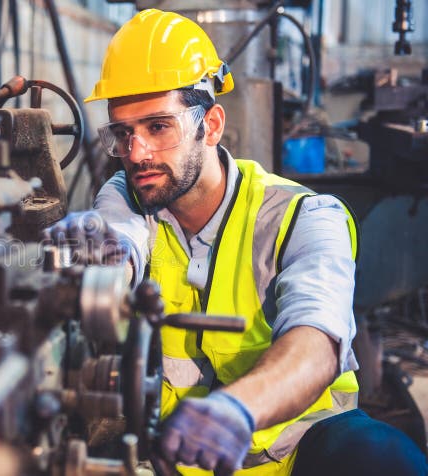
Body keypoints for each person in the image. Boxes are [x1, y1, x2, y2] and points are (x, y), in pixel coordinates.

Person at [47, 9, 427, 476]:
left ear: (210, 125)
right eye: (123, 133)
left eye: (157, 127)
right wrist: (101, 262)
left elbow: (317, 341)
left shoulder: (303, 217)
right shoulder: (129, 196)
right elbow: (118, 237)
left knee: (385, 459)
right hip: (174, 462)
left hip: (294, 454)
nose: (137, 152)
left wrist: (237, 409)